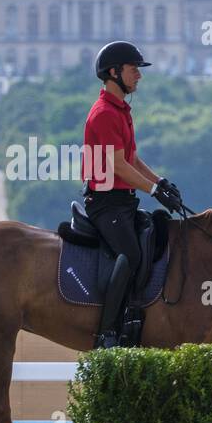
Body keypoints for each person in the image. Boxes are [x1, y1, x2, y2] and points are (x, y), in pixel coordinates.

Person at [81, 40, 184, 348]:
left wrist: (161, 182)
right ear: (114, 72)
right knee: (133, 254)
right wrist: (153, 190)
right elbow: (118, 166)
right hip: (104, 202)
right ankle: (107, 332)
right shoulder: (104, 114)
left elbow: (133, 159)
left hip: (122, 201)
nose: (139, 75)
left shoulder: (121, 110)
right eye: (133, 69)